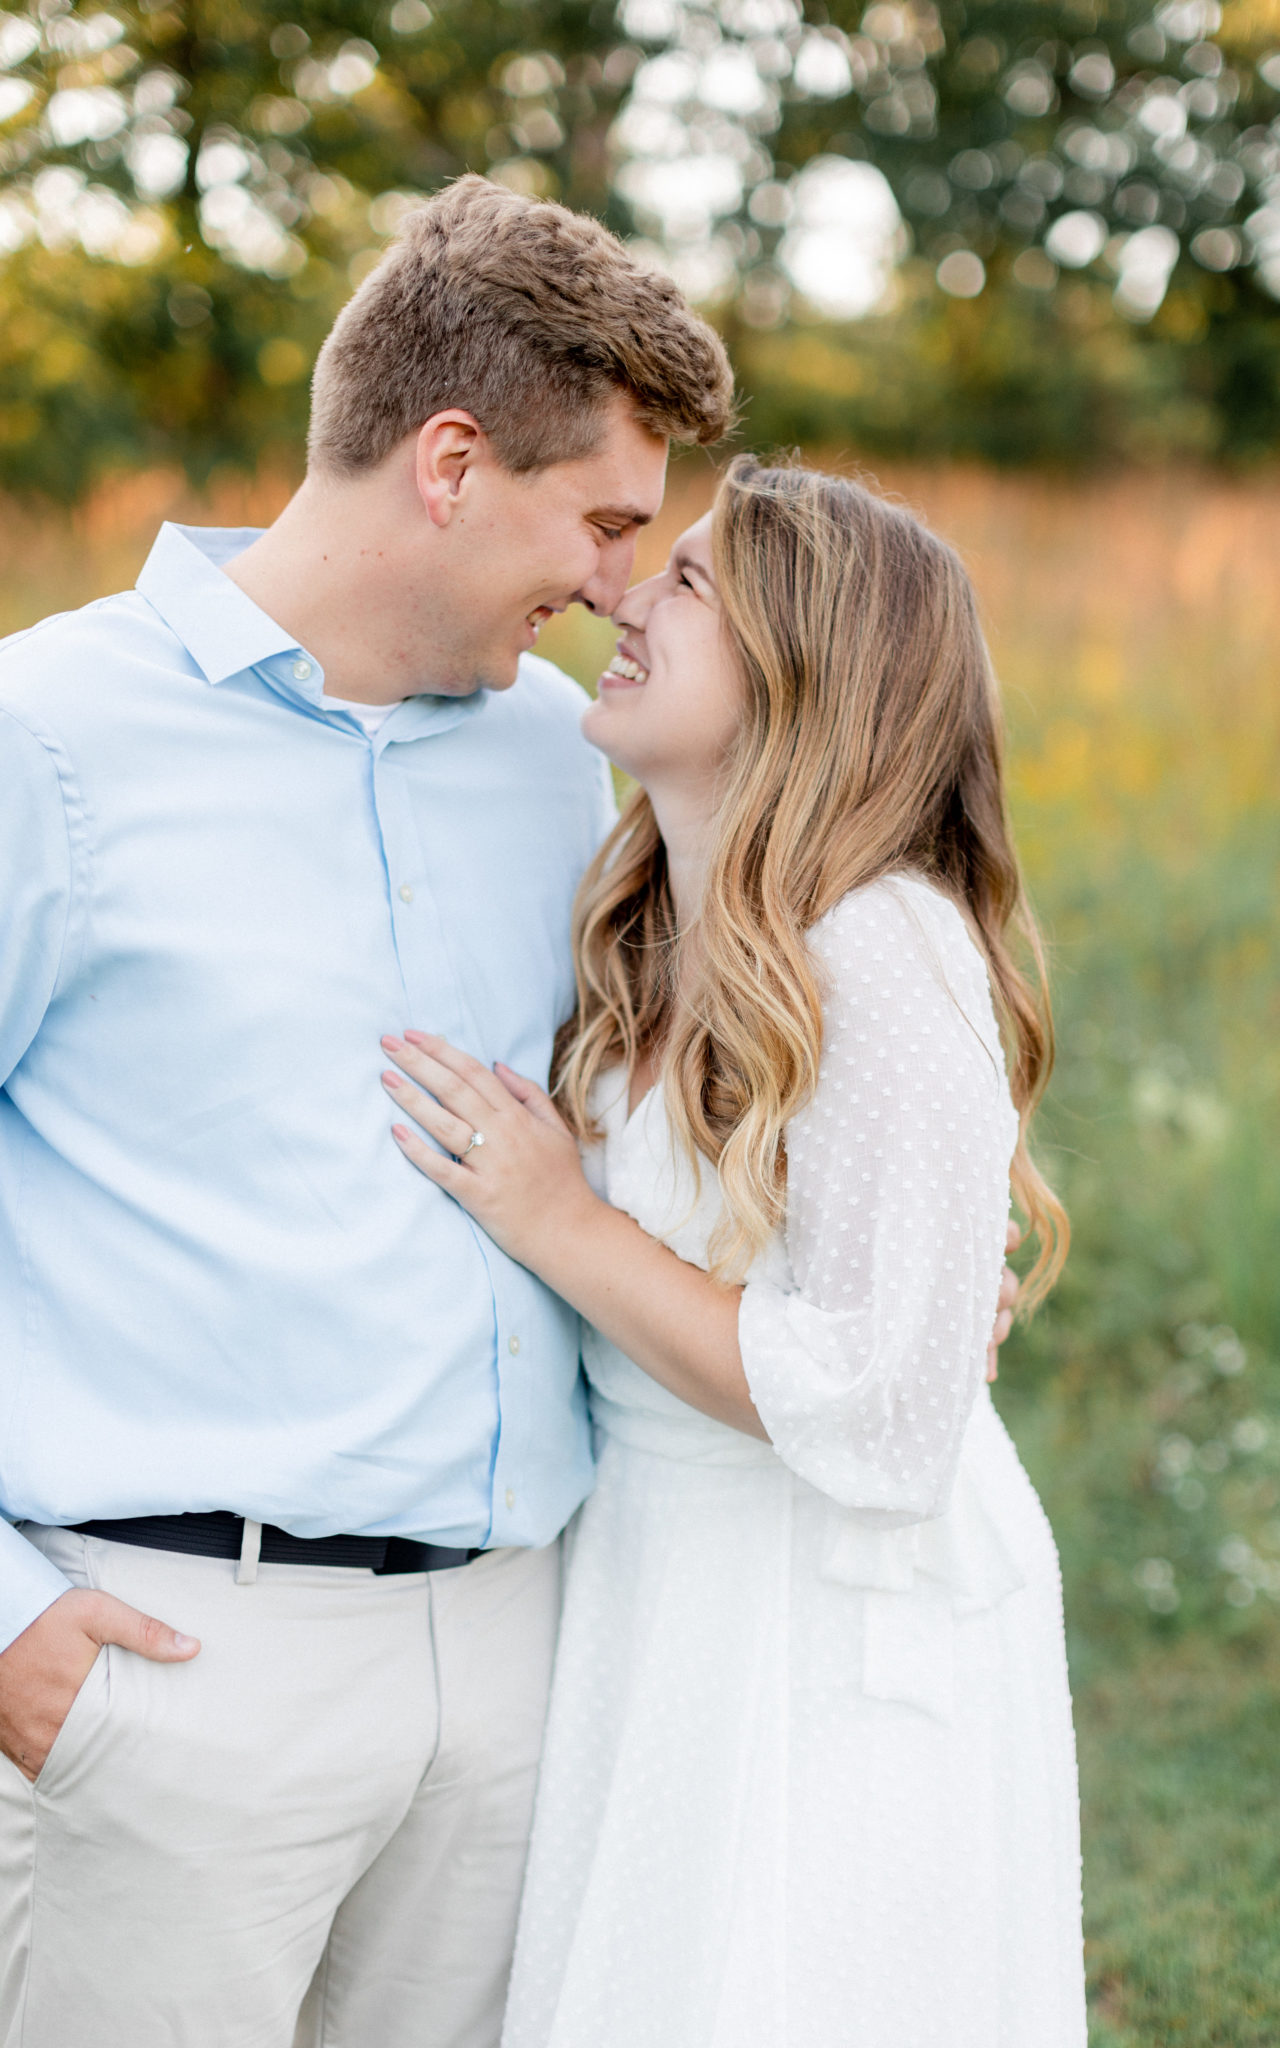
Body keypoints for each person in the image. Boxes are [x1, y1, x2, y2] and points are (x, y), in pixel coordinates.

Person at [0, 177, 735, 2048]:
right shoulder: (48, 742)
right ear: (451, 459)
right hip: (169, 1666)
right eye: (600, 520)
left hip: (514, 1667)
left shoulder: (560, 766)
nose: (617, 579)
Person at [380, 457, 1087, 2047]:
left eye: (688, 582)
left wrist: (558, 1218)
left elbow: (891, 1430)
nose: (625, 595)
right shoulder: (649, 923)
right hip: (654, 1573)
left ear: (806, 667)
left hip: (810, 1624)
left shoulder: (880, 945)